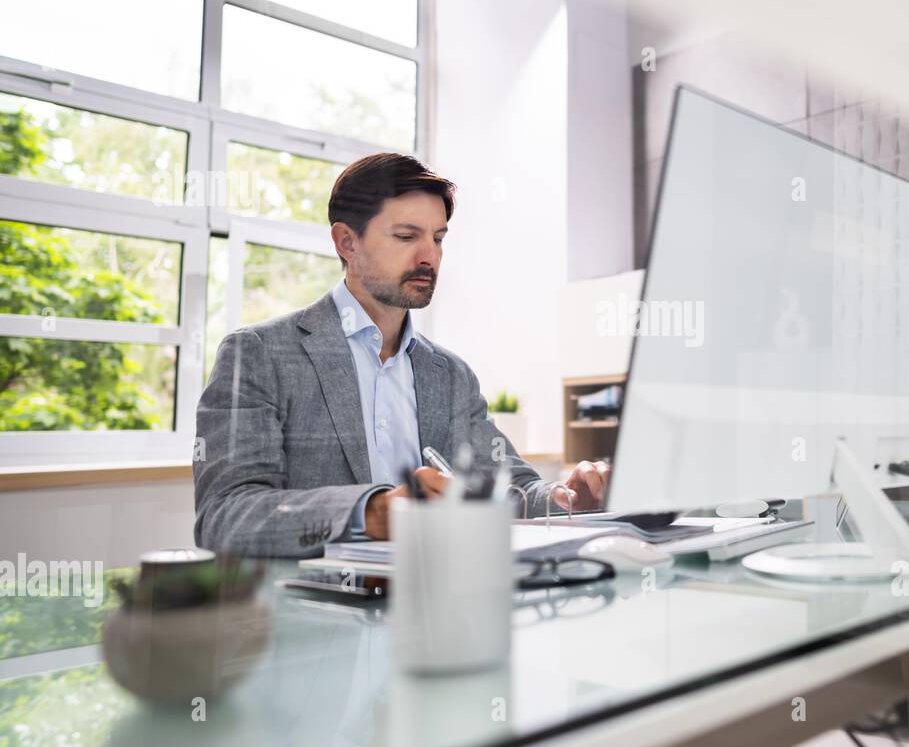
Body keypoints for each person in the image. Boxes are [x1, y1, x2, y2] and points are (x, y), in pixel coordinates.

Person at [194, 152, 609, 556]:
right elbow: (225, 514)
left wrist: (566, 497)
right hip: (315, 611)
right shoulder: (260, 354)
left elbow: (508, 486)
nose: (429, 256)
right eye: (407, 237)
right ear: (346, 242)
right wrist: (370, 512)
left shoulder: (450, 374)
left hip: (438, 601)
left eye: (438, 238)